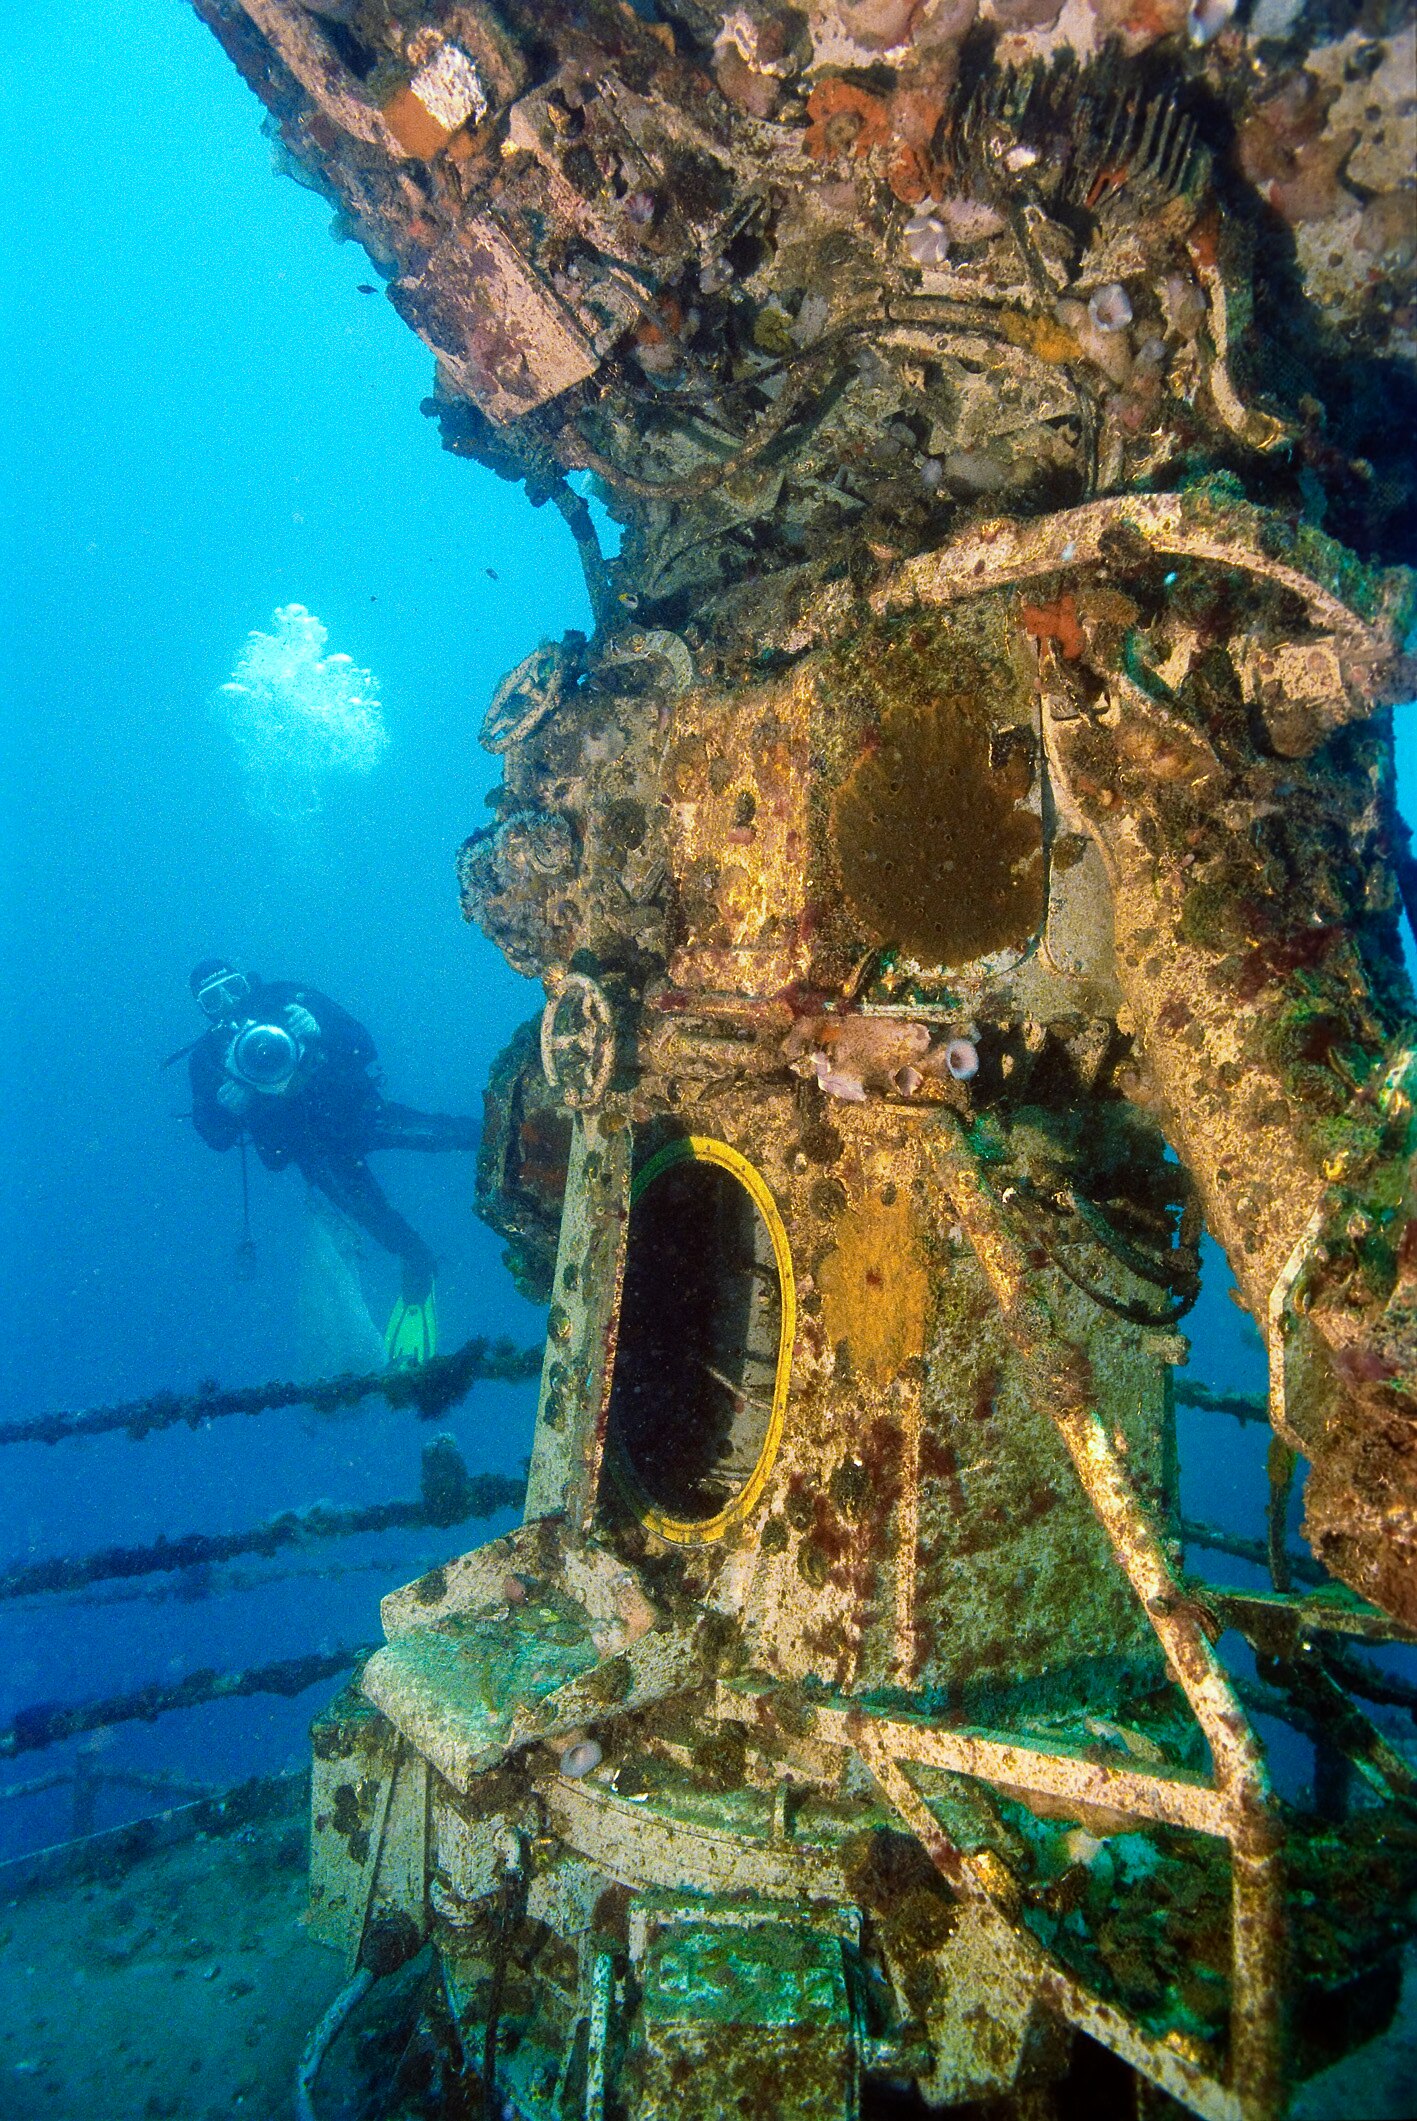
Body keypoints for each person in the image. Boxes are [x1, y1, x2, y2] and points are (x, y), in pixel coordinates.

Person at [185, 959, 480, 1363]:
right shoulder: (208, 1058)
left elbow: (363, 1044)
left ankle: (507, 1136)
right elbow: (215, 1136)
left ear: (247, 981)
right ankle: (418, 1262)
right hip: (311, 1148)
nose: (228, 1001)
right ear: (203, 1010)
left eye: (233, 987)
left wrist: (319, 1027)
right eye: (212, 999)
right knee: (371, 1214)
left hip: (356, 1113)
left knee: (440, 1135)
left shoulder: (289, 999)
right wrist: (226, 1107)